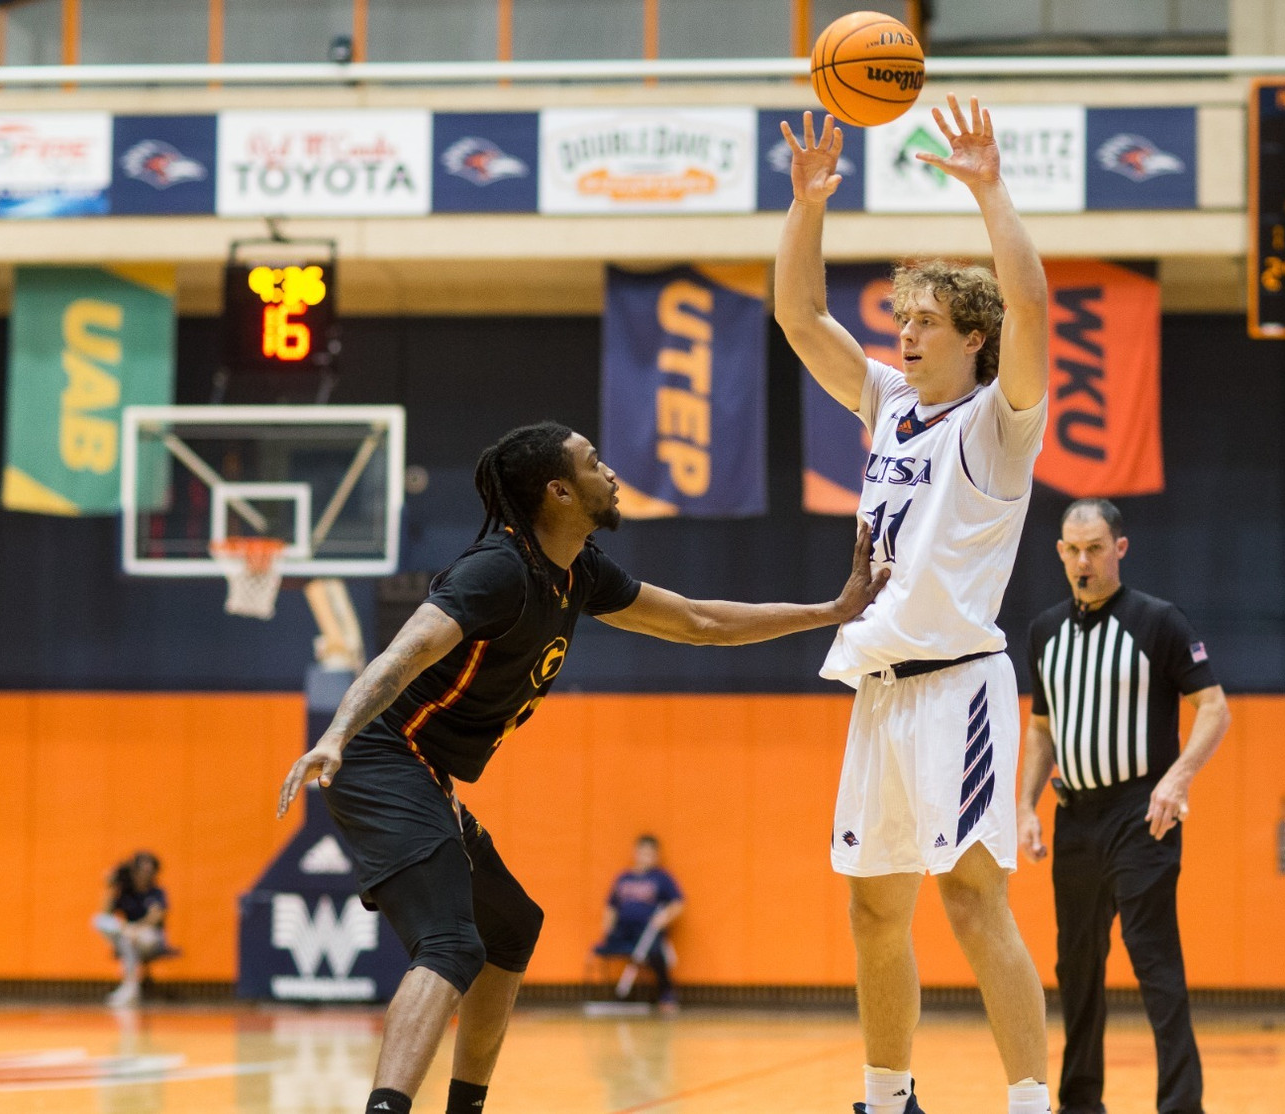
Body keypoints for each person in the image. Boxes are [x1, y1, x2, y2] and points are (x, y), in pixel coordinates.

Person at [276, 421, 887, 1114]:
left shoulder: (579, 572)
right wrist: (336, 732)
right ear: (559, 491)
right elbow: (406, 650)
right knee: (450, 943)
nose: (612, 473)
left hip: (423, 771)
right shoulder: (498, 570)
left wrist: (834, 611)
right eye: (595, 462)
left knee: (511, 928)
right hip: (381, 757)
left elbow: (699, 621)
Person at [777, 95, 1054, 1114]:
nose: (904, 333)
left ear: (975, 338)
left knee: (974, 903)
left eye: (926, 321)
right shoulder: (890, 403)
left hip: (960, 686)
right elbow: (800, 319)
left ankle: (1031, 1103)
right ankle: (886, 1098)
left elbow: (1032, 306)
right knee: (872, 911)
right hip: (882, 687)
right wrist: (808, 204)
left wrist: (991, 190)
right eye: (902, 319)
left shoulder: (997, 424)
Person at [1018, 498, 1230, 1114]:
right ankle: (1081, 1101)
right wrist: (1025, 806)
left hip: (1142, 814)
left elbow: (1214, 708)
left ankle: (1181, 1105)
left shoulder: (1159, 622)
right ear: (1060, 552)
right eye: (1073, 550)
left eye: (1095, 549)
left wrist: (1179, 778)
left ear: (1120, 549)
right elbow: (1041, 729)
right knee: (1076, 966)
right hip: (1075, 819)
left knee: (1153, 959)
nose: (1083, 562)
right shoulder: (1044, 631)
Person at [593, 834, 685, 1008]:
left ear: (656, 855)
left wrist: (664, 918)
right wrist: (607, 928)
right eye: (643, 852)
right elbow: (611, 906)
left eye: (650, 853)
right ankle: (615, 995)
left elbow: (678, 904)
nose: (646, 857)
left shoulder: (662, 878)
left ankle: (666, 992)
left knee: (655, 951)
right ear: (635, 853)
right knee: (607, 946)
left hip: (647, 931)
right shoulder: (624, 878)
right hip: (622, 930)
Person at [92, 851, 171, 1008]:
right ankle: (130, 989)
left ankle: (129, 988)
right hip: (128, 936)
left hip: (150, 937)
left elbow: (156, 917)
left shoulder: (156, 892)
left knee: (129, 940)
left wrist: (135, 928)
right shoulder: (124, 892)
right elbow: (105, 914)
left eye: (150, 871)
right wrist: (111, 887)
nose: (145, 875)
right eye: (142, 871)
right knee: (101, 922)